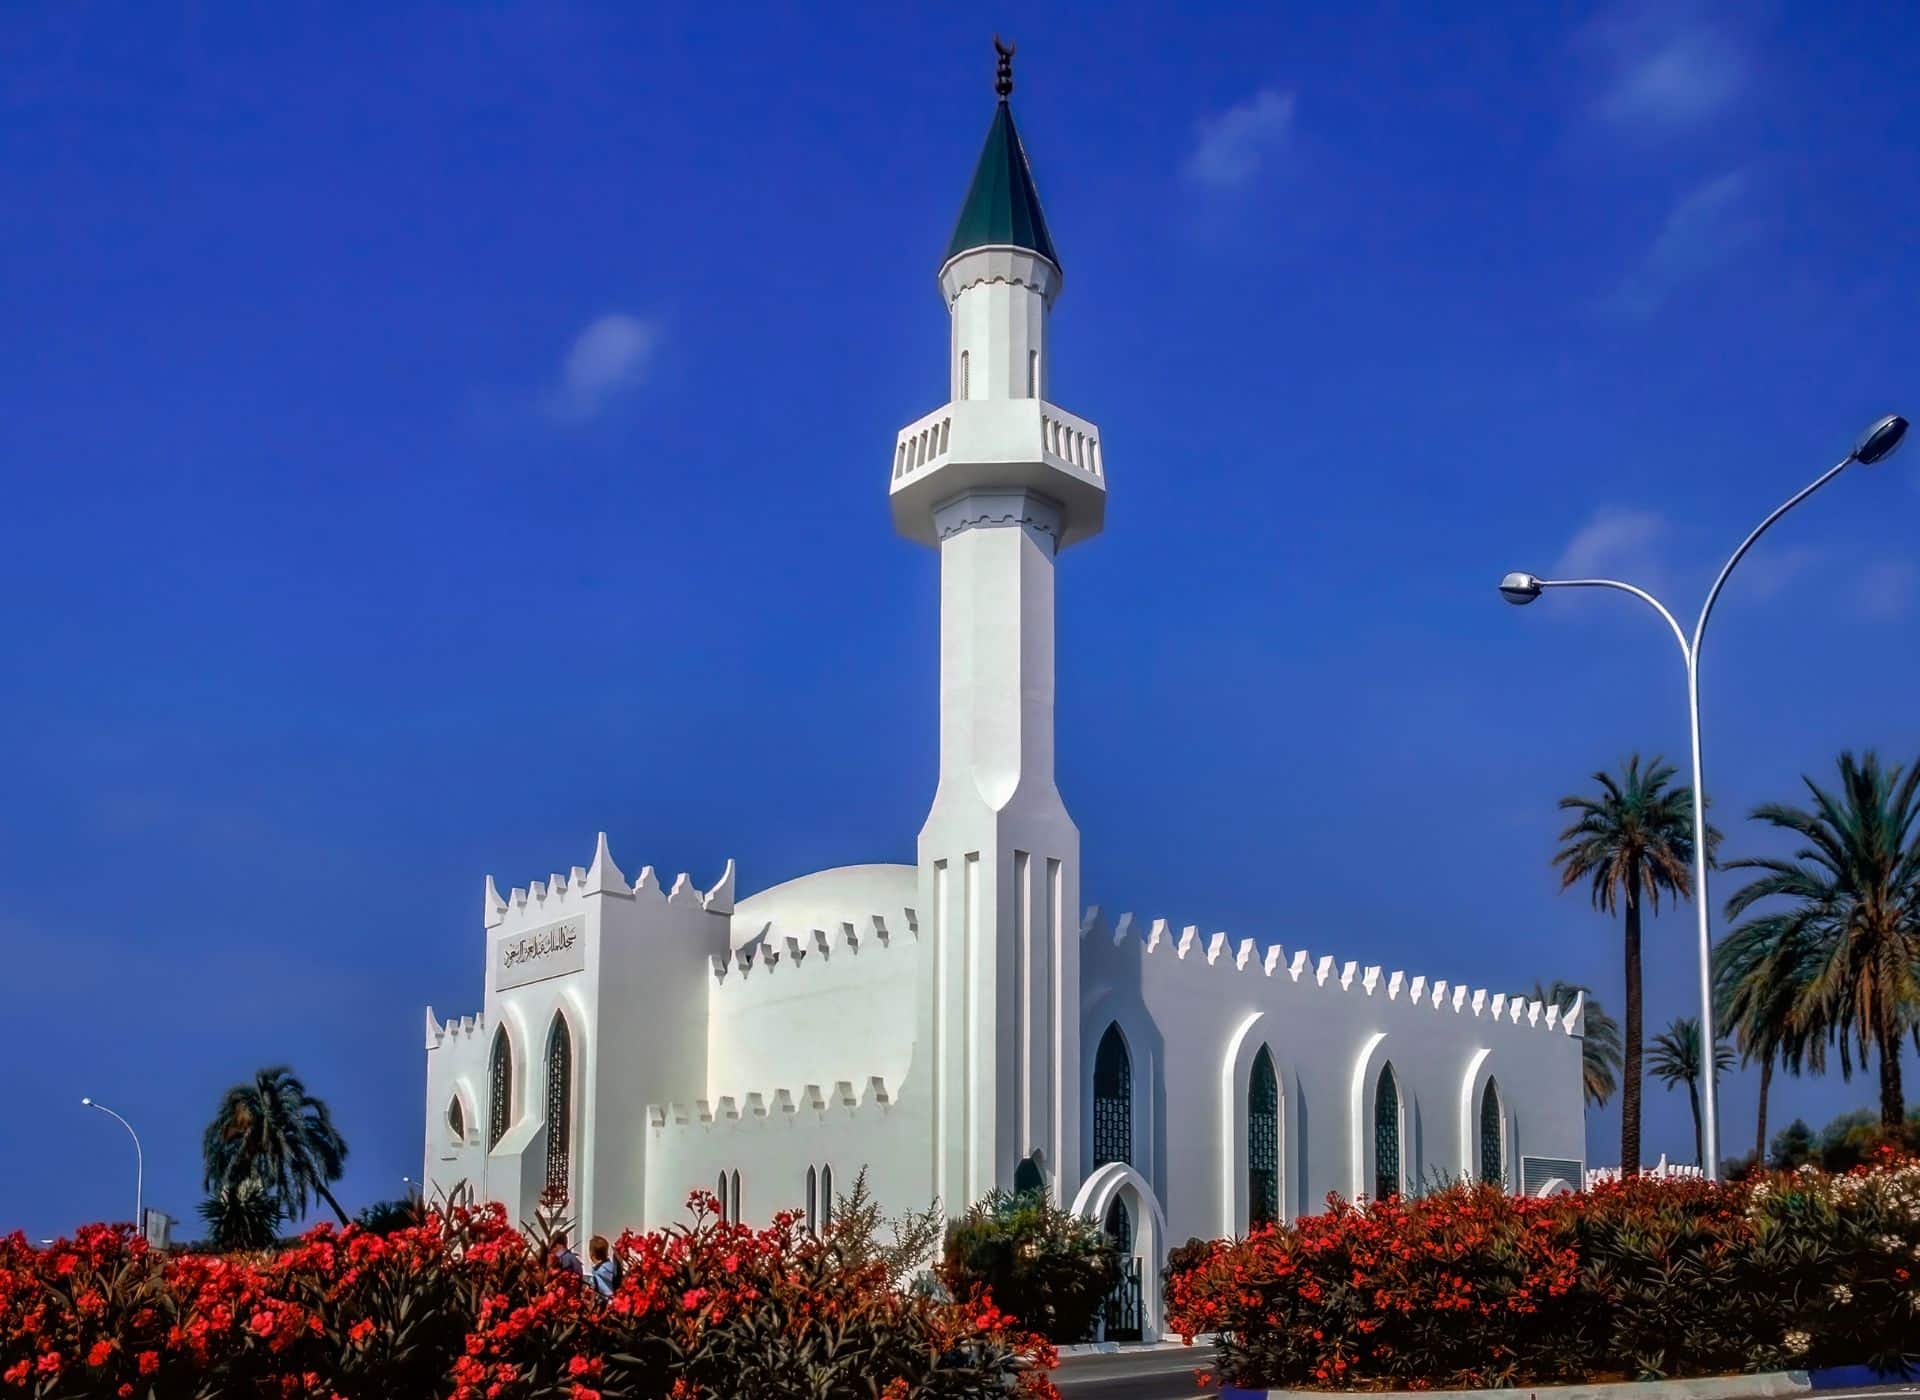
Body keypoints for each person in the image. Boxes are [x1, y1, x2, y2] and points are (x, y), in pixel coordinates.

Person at [588, 1234, 621, 1298]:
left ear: (592, 1255)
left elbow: (593, 1288)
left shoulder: (597, 1272)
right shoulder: (613, 1267)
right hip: (616, 1299)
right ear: (606, 1253)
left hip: (605, 1302)